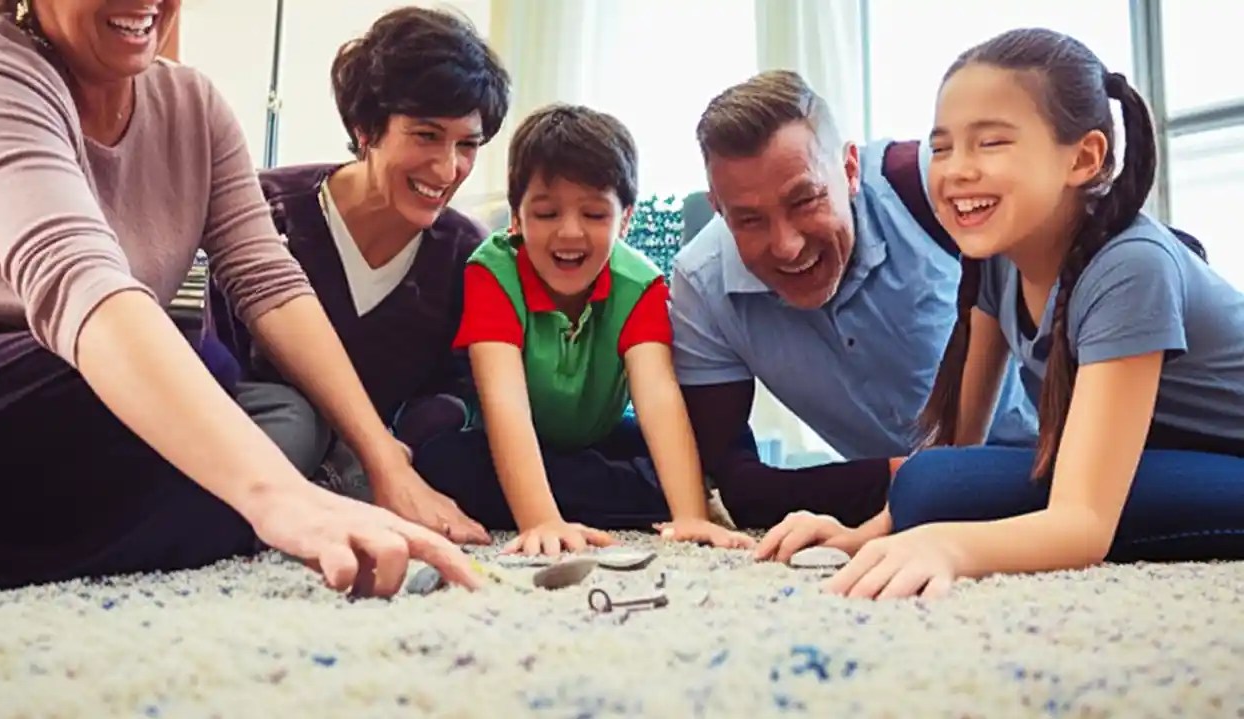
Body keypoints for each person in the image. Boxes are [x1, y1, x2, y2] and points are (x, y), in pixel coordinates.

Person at [0, 0, 478, 595]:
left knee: (247, 437)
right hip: (13, 382)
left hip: (84, 415)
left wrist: (386, 463)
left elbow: (270, 282)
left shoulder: (193, 105)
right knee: (214, 423)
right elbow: (80, 279)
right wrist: (279, 498)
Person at [758, 27, 1244, 600]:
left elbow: (1083, 524)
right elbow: (958, 442)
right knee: (931, 482)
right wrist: (859, 538)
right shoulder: (999, 259)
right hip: (1175, 458)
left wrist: (951, 546)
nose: (957, 170)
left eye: (990, 143)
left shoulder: (1131, 266)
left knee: (938, 491)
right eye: (941, 148)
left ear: (1084, 158)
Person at [672, 70, 1040, 530]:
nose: (786, 246)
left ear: (849, 169)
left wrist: (935, 480)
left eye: (804, 200)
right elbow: (741, 488)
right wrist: (922, 479)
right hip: (926, 497)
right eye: (748, 220)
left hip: (1086, 449)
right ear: (719, 208)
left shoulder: (928, 186)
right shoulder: (699, 285)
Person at [208, 6, 509, 546]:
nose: (447, 169)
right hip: (258, 436)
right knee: (294, 423)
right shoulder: (264, 210)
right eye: (425, 135)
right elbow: (222, 368)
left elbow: (458, 397)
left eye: (467, 145)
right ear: (365, 128)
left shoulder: (465, 254)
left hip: (380, 456)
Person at [422, 104, 752, 555]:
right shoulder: (492, 272)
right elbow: (505, 402)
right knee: (444, 464)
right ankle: (590, 499)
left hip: (602, 438)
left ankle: (640, 494)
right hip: (514, 443)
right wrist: (541, 522)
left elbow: (656, 396)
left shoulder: (640, 284)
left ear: (626, 220)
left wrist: (690, 516)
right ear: (516, 219)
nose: (570, 233)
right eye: (546, 214)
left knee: (704, 443)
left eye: (595, 215)